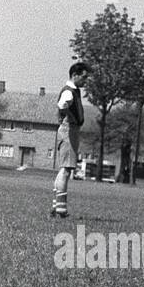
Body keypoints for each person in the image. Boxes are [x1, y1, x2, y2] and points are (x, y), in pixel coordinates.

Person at [49, 60, 90, 219]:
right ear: (75, 75)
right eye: (84, 77)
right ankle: (61, 208)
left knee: (64, 169)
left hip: (69, 130)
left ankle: (56, 205)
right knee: (66, 169)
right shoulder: (69, 91)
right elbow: (62, 105)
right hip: (69, 130)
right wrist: (71, 117)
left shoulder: (74, 91)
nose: (85, 81)